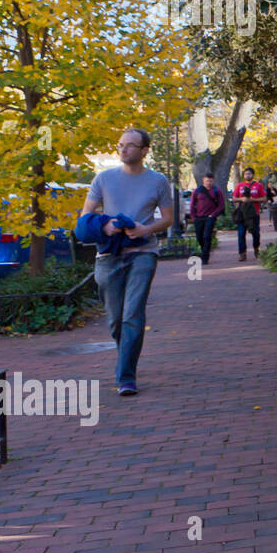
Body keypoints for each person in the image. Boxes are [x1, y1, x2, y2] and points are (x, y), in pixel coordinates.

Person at [80, 127, 173, 396]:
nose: (123, 149)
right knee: (115, 321)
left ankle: (126, 377)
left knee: (132, 314)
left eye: (130, 145)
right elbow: (86, 215)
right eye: (120, 145)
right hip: (109, 255)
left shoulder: (158, 181)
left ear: (144, 151)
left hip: (143, 253)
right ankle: (127, 357)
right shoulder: (104, 178)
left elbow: (167, 218)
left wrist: (145, 230)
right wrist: (105, 225)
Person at [189, 172, 225, 265]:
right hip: (199, 218)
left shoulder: (217, 191)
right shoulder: (197, 191)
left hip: (210, 217)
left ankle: (205, 256)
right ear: (203, 180)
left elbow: (221, 206)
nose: (209, 182)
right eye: (207, 181)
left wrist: (213, 215)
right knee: (199, 237)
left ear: (213, 181)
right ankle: (203, 250)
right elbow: (192, 205)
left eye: (211, 181)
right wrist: (194, 217)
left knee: (207, 236)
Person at [232, 166, 267, 261]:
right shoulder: (240, 186)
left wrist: (253, 199)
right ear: (244, 175)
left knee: (256, 234)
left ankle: (256, 249)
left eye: (249, 174)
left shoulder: (258, 186)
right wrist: (241, 199)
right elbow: (234, 198)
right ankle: (242, 253)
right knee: (241, 233)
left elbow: (264, 198)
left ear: (253, 175)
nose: (248, 175)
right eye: (246, 174)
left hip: (254, 214)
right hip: (242, 214)